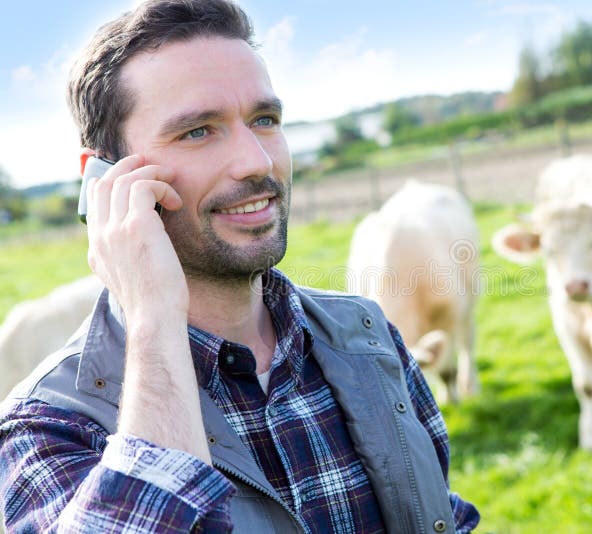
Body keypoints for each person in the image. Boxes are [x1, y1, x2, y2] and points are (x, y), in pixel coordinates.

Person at [0, 1, 480, 532]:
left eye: (265, 120)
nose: (257, 160)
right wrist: (155, 318)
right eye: (198, 131)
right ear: (104, 181)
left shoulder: (369, 339)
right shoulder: (47, 427)